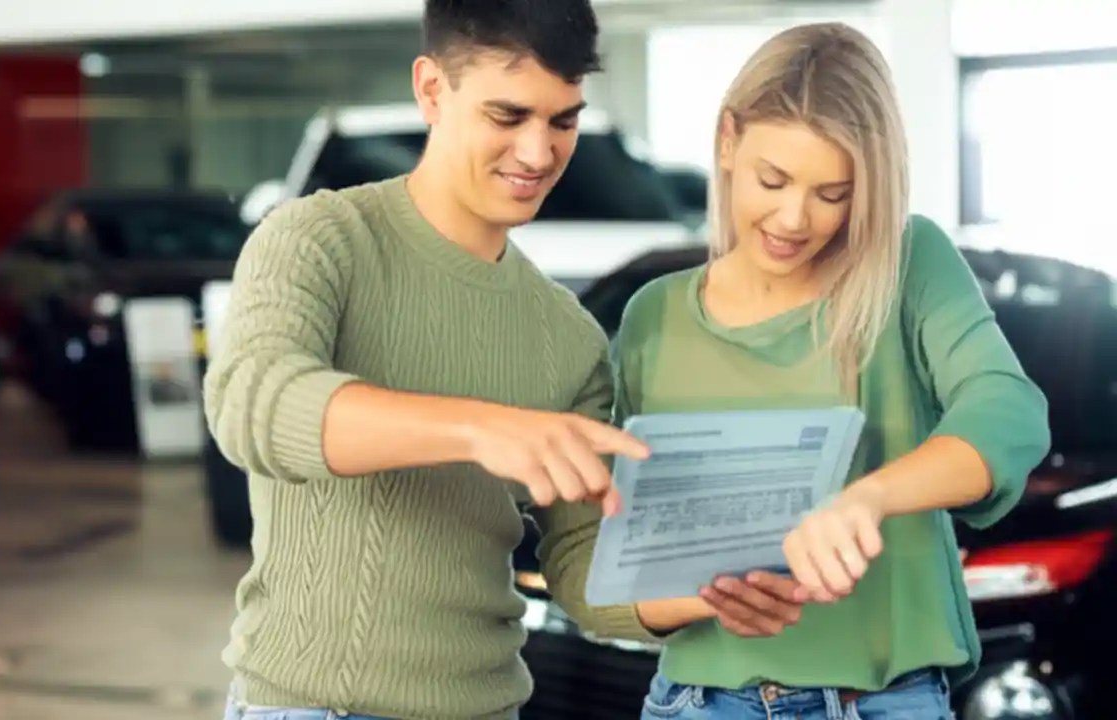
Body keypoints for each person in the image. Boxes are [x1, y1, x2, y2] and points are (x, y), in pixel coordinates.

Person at [553, 22, 1051, 720]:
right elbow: (596, 563)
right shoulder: (654, 318)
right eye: (774, 180)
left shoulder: (908, 265)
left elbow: (1008, 410)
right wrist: (704, 599)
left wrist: (869, 499)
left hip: (880, 703)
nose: (794, 218)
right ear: (728, 141)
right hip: (701, 702)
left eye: (832, 192)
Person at [202, 2, 655, 719]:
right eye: (508, 116)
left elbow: (580, 566)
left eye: (562, 121)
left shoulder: (569, 335)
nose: (539, 153)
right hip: (313, 707)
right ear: (432, 89)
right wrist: (480, 428)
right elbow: (255, 402)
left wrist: (707, 595)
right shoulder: (318, 239)